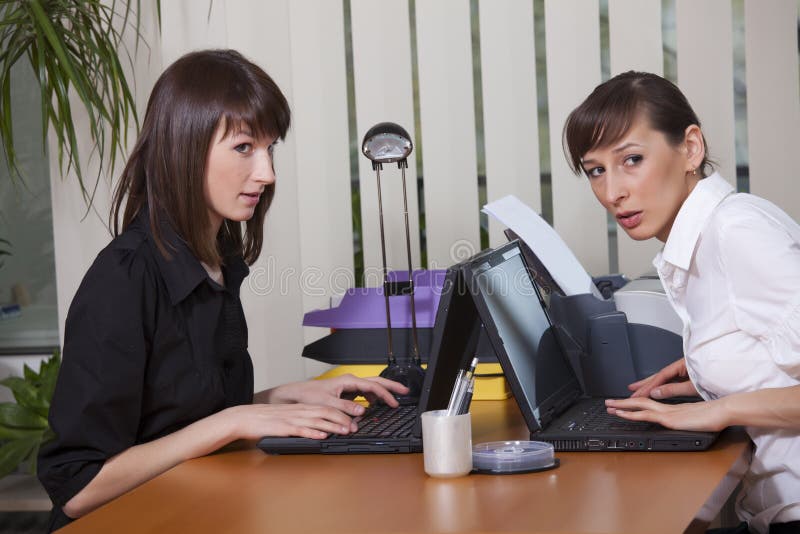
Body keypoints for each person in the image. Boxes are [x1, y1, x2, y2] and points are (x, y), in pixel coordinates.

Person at [38, 49, 409, 531]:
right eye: (243, 148)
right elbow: (77, 488)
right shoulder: (123, 279)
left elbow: (177, 418)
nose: (267, 173)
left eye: (270, 149)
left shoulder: (218, 259)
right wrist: (232, 422)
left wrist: (283, 399)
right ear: (184, 147)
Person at [562, 71, 800, 534]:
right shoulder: (704, 234)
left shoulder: (736, 233)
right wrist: (717, 370)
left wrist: (718, 409)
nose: (612, 193)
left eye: (631, 159)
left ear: (690, 149)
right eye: (596, 170)